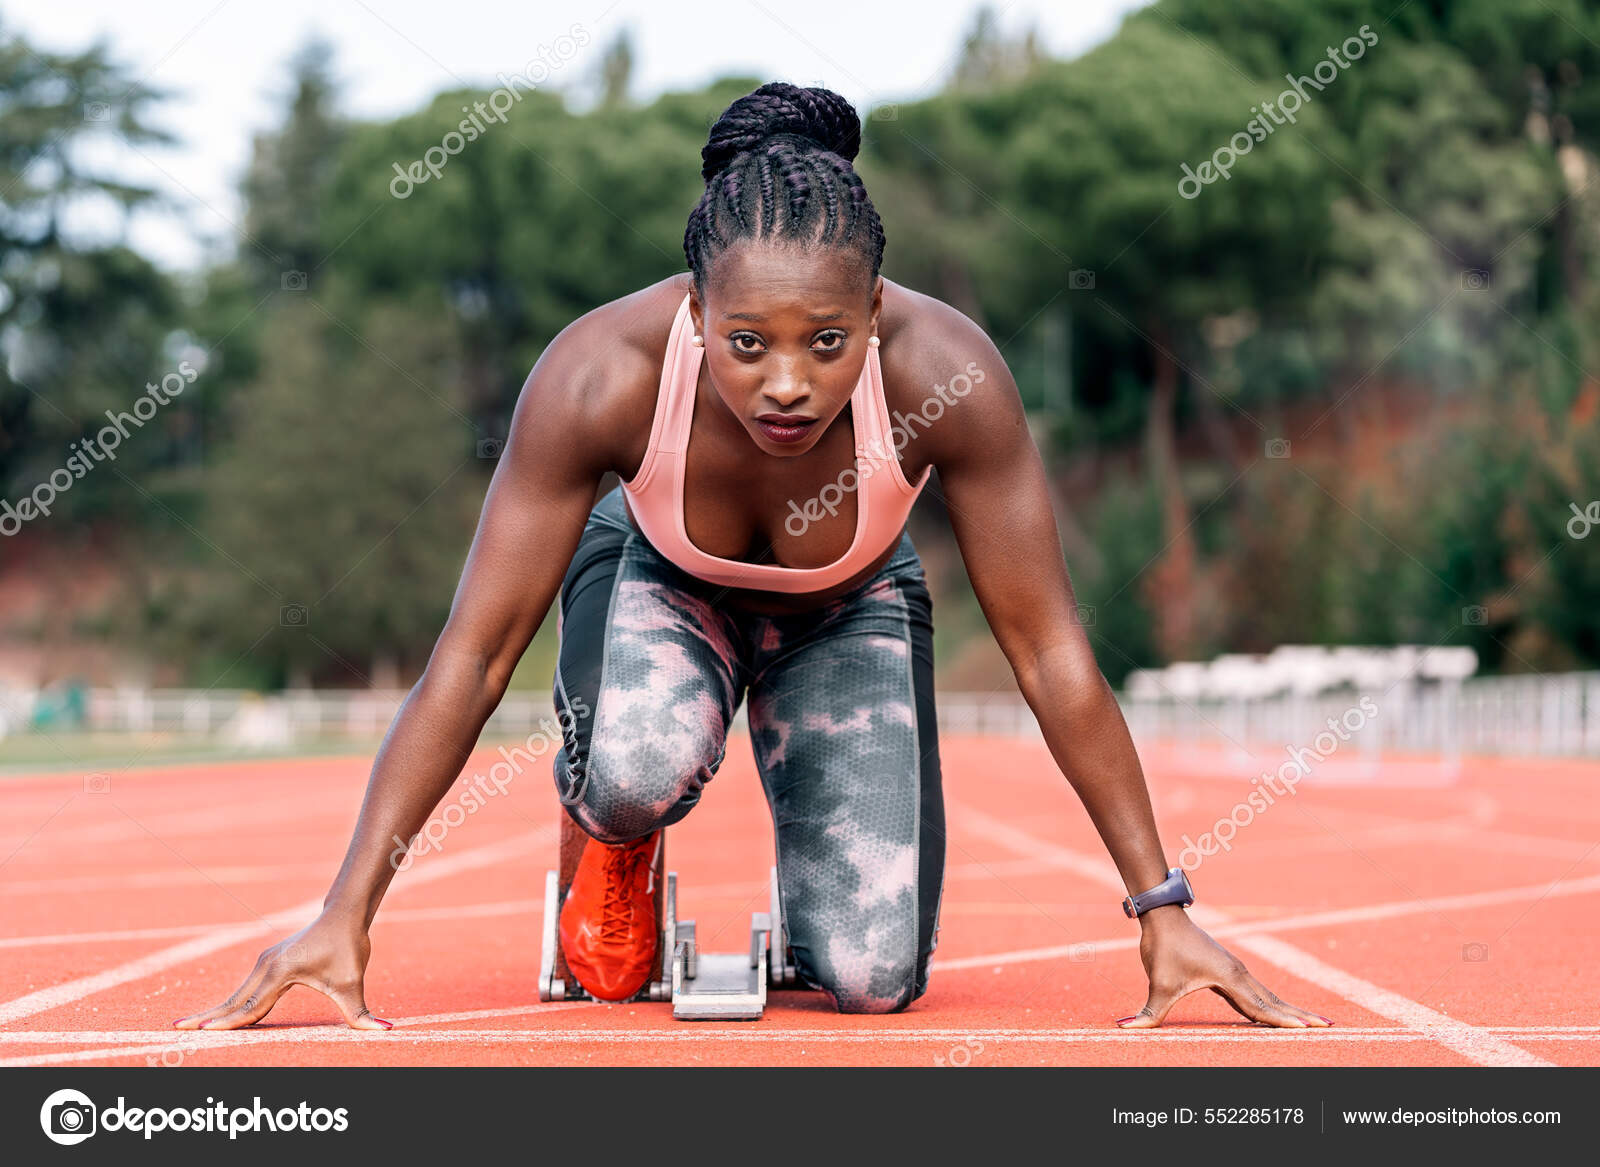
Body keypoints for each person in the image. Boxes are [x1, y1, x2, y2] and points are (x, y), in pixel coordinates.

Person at [176, 82, 1331, 1030]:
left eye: (828, 344)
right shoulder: (599, 377)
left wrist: (1161, 907)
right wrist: (345, 911)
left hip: (851, 612)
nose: (787, 384)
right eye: (746, 345)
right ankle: (611, 839)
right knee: (635, 764)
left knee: (875, 984)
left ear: (875, 313)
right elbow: (473, 661)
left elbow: (1049, 653)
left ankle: (819, 895)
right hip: (664, 588)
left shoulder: (947, 378)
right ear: (693, 314)